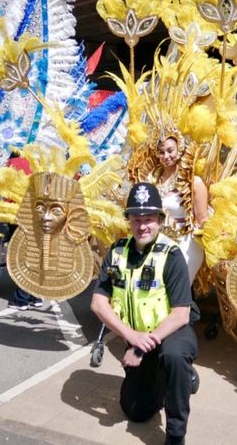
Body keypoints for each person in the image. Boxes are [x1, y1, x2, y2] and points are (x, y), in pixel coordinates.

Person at [90, 182, 199, 445]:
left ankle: (176, 433)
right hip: (138, 335)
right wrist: (131, 337)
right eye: (136, 219)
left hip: (172, 331)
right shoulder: (116, 252)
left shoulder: (171, 255)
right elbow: (97, 302)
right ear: (128, 220)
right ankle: (171, 379)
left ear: (160, 220)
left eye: (149, 219)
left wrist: (140, 347)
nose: (142, 226)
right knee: (136, 411)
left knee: (173, 356)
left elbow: (181, 314)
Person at [150, 132, 209, 286]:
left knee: (176, 290)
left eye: (170, 150)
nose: (166, 156)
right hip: (157, 243)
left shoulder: (193, 182)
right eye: (162, 152)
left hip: (185, 243)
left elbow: (203, 219)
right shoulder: (152, 181)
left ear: (180, 149)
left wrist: (216, 236)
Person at [2, 151, 43, 310]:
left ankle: (22, 298)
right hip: (41, 215)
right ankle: (36, 296)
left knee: (23, 257)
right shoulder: (39, 159)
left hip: (20, 215)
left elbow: (7, 192)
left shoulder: (13, 162)